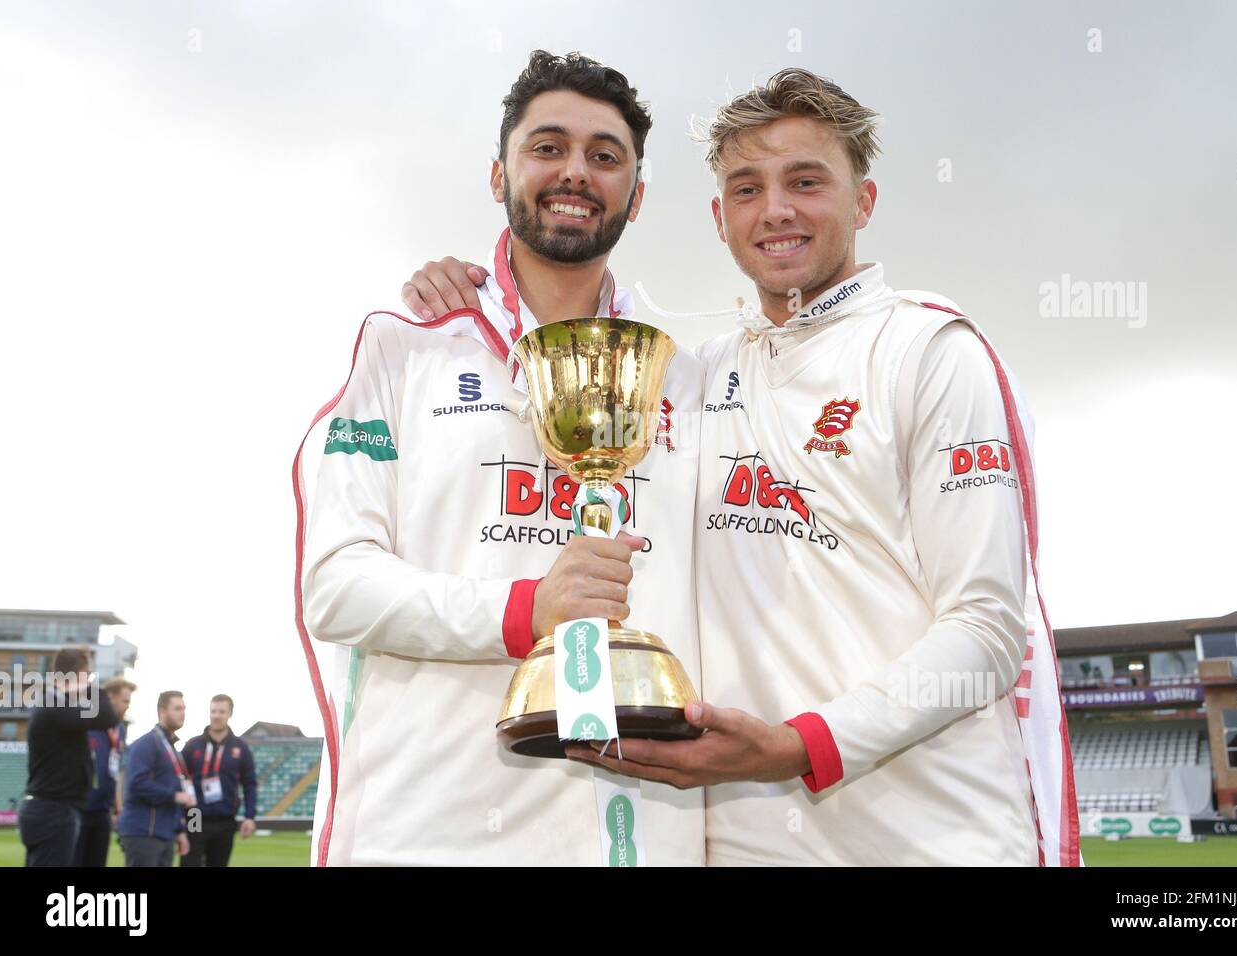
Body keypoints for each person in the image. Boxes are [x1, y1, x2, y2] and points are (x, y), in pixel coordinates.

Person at [403, 68, 1079, 866]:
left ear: (862, 201)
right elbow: (549, 390)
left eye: (806, 181)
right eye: (748, 189)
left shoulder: (930, 351)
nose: (778, 210)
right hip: (742, 838)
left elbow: (988, 630)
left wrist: (797, 746)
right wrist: (473, 297)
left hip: (930, 837)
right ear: (720, 219)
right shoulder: (690, 377)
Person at [295, 50, 704, 866]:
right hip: (430, 827)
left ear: (637, 193)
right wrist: (524, 610)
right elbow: (335, 586)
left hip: (639, 821)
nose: (575, 173)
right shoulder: (403, 347)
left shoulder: (687, 376)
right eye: (547, 147)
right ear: (498, 174)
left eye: (604, 155)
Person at [18, 646, 119, 866]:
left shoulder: (56, 705)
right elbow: (107, 716)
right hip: (53, 810)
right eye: (88, 675)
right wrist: (90, 687)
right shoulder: (53, 705)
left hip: (54, 809)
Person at [117, 691, 196, 866]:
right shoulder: (146, 744)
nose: (182, 713)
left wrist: (180, 831)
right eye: (177, 708)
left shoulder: (173, 749)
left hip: (165, 833)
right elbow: (137, 784)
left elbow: (173, 792)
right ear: (162, 711)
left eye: (184, 708)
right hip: (143, 832)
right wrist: (174, 796)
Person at [181, 694, 257, 867]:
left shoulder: (240, 747)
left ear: (230, 714)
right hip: (195, 815)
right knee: (189, 862)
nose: (216, 715)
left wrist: (249, 816)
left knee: (218, 863)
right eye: (213, 711)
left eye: (221, 711)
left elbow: (249, 783)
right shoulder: (193, 745)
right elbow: (181, 779)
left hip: (225, 817)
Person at [74, 676, 134, 866]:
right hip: (80, 810)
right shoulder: (86, 722)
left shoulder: (119, 730)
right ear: (110, 698)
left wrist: (118, 808)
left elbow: (116, 771)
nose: (128, 706)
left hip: (103, 812)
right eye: (125, 701)